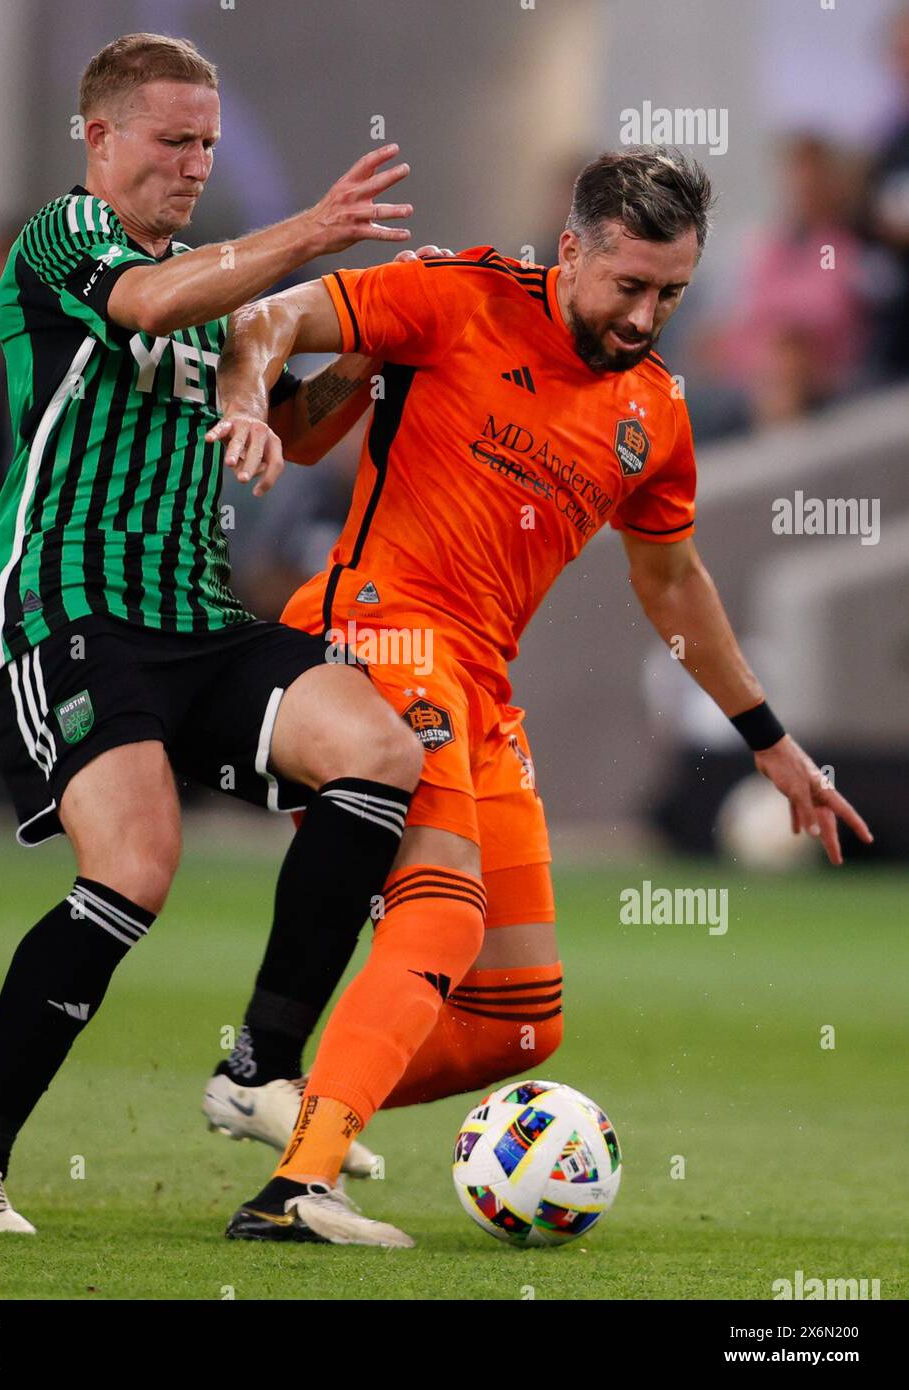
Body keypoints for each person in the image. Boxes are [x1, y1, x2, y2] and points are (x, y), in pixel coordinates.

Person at [205, 146, 873, 1247]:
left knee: (516, 1026)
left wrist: (771, 739)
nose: (646, 313)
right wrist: (249, 407)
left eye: (671, 293)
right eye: (629, 285)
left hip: (478, 682)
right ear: (571, 251)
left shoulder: (653, 412)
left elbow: (671, 582)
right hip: (375, 629)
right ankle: (296, 1188)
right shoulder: (454, 295)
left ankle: (265, 1081)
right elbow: (264, 322)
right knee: (440, 909)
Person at [0, 31, 427, 1243]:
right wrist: (306, 238)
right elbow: (145, 302)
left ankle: (258, 1064)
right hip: (70, 607)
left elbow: (289, 431)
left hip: (198, 613)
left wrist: (365, 360)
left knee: (381, 751)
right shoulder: (65, 240)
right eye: (171, 140)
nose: (194, 164)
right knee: (134, 869)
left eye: (206, 142)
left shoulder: (218, 278)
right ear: (98, 137)